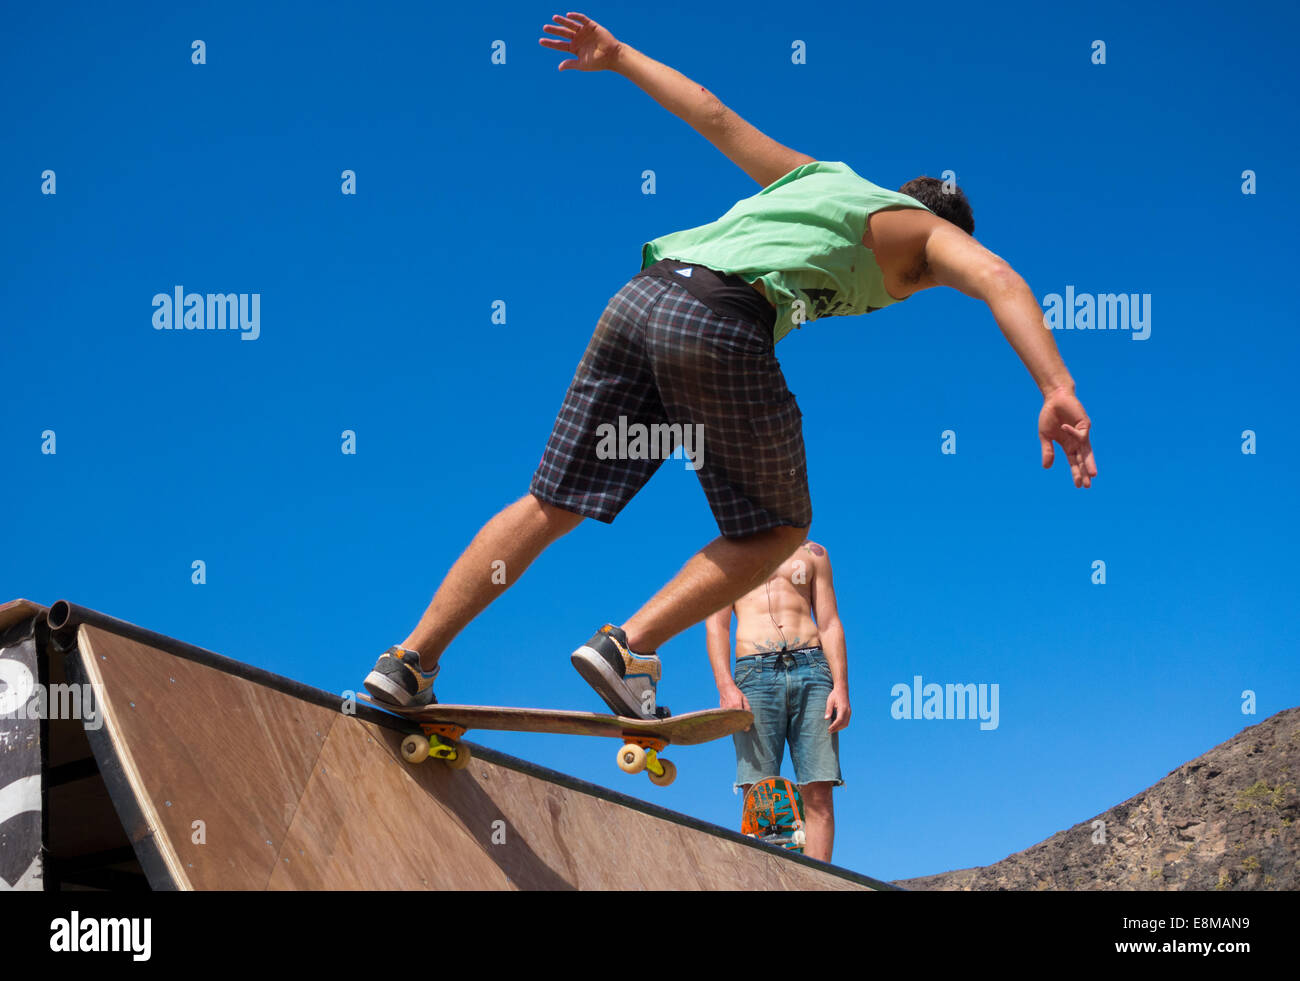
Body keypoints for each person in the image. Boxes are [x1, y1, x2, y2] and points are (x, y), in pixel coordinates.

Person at [363, 12, 1096, 718]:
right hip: (719, 320)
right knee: (780, 525)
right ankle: (628, 645)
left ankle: (409, 661)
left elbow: (714, 115)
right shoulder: (933, 238)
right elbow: (999, 276)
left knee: (549, 502)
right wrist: (1055, 385)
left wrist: (618, 57)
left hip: (642, 298)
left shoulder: (819, 177)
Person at [706, 540, 846, 862]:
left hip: (812, 669)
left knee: (819, 791)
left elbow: (829, 622)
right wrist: (725, 684)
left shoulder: (814, 554)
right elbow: (716, 625)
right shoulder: (727, 552)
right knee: (758, 796)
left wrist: (840, 686)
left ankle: (815, 883)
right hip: (753, 674)